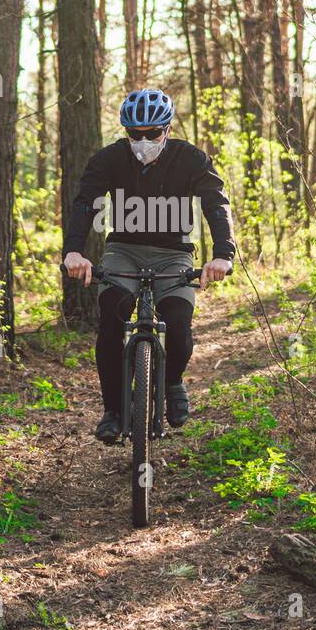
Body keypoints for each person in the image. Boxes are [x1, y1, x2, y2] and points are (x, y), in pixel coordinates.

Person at [62, 88, 236, 444]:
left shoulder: (191, 159)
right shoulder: (108, 159)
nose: (143, 142)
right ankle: (112, 410)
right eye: (135, 135)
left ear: (168, 129)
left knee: (178, 320)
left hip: (174, 255)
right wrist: (74, 252)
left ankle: (172, 381)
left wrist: (223, 254)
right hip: (123, 251)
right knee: (112, 313)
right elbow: (85, 205)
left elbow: (216, 204)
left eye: (152, 134)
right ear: (126, 131)